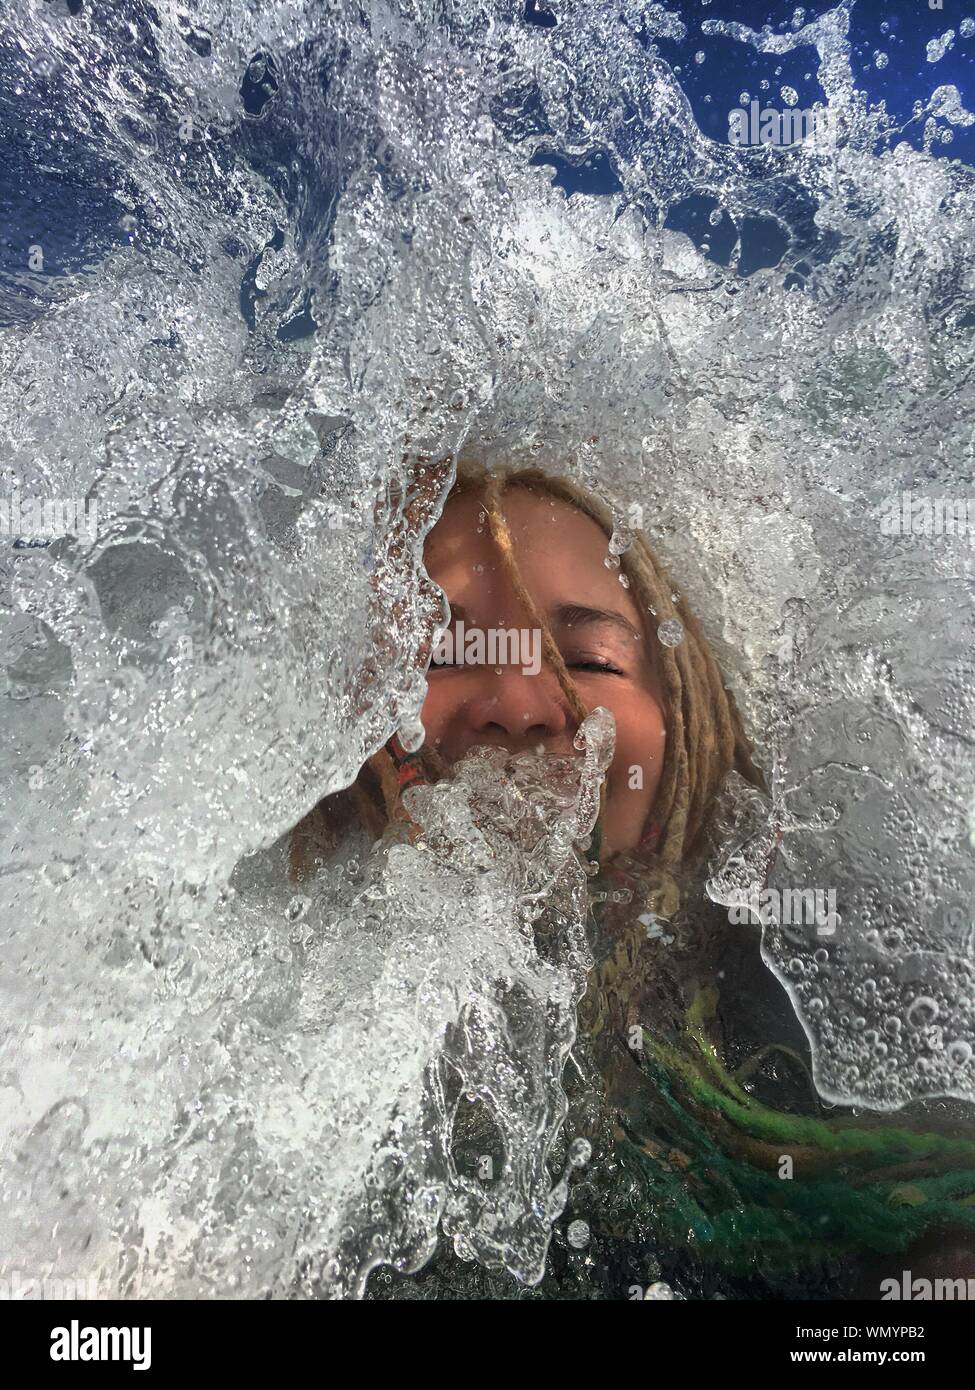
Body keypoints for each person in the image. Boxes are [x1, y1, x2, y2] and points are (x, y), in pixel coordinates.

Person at [290, 459, 975, 1300]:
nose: (517, 696)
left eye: (590, 658)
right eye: (440, 653)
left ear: (689, 731)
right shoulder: (235, 1043)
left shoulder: (812, 1018)